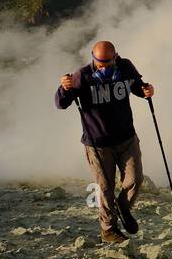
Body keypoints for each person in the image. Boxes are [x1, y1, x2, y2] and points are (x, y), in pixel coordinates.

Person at [55, 40, 154, 243]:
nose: (106, 68)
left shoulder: (125, 66)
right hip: (97, 143)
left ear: (115, 57)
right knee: (105, 187)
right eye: (101, 65)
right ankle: (109, 229)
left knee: (135, 179)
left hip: (127, 137)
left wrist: (146, 91)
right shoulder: (82, 76)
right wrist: (64, 89)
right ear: (94, 58)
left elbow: (137, 87)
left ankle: (123, 208)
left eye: (109, 64)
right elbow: (61, 103)